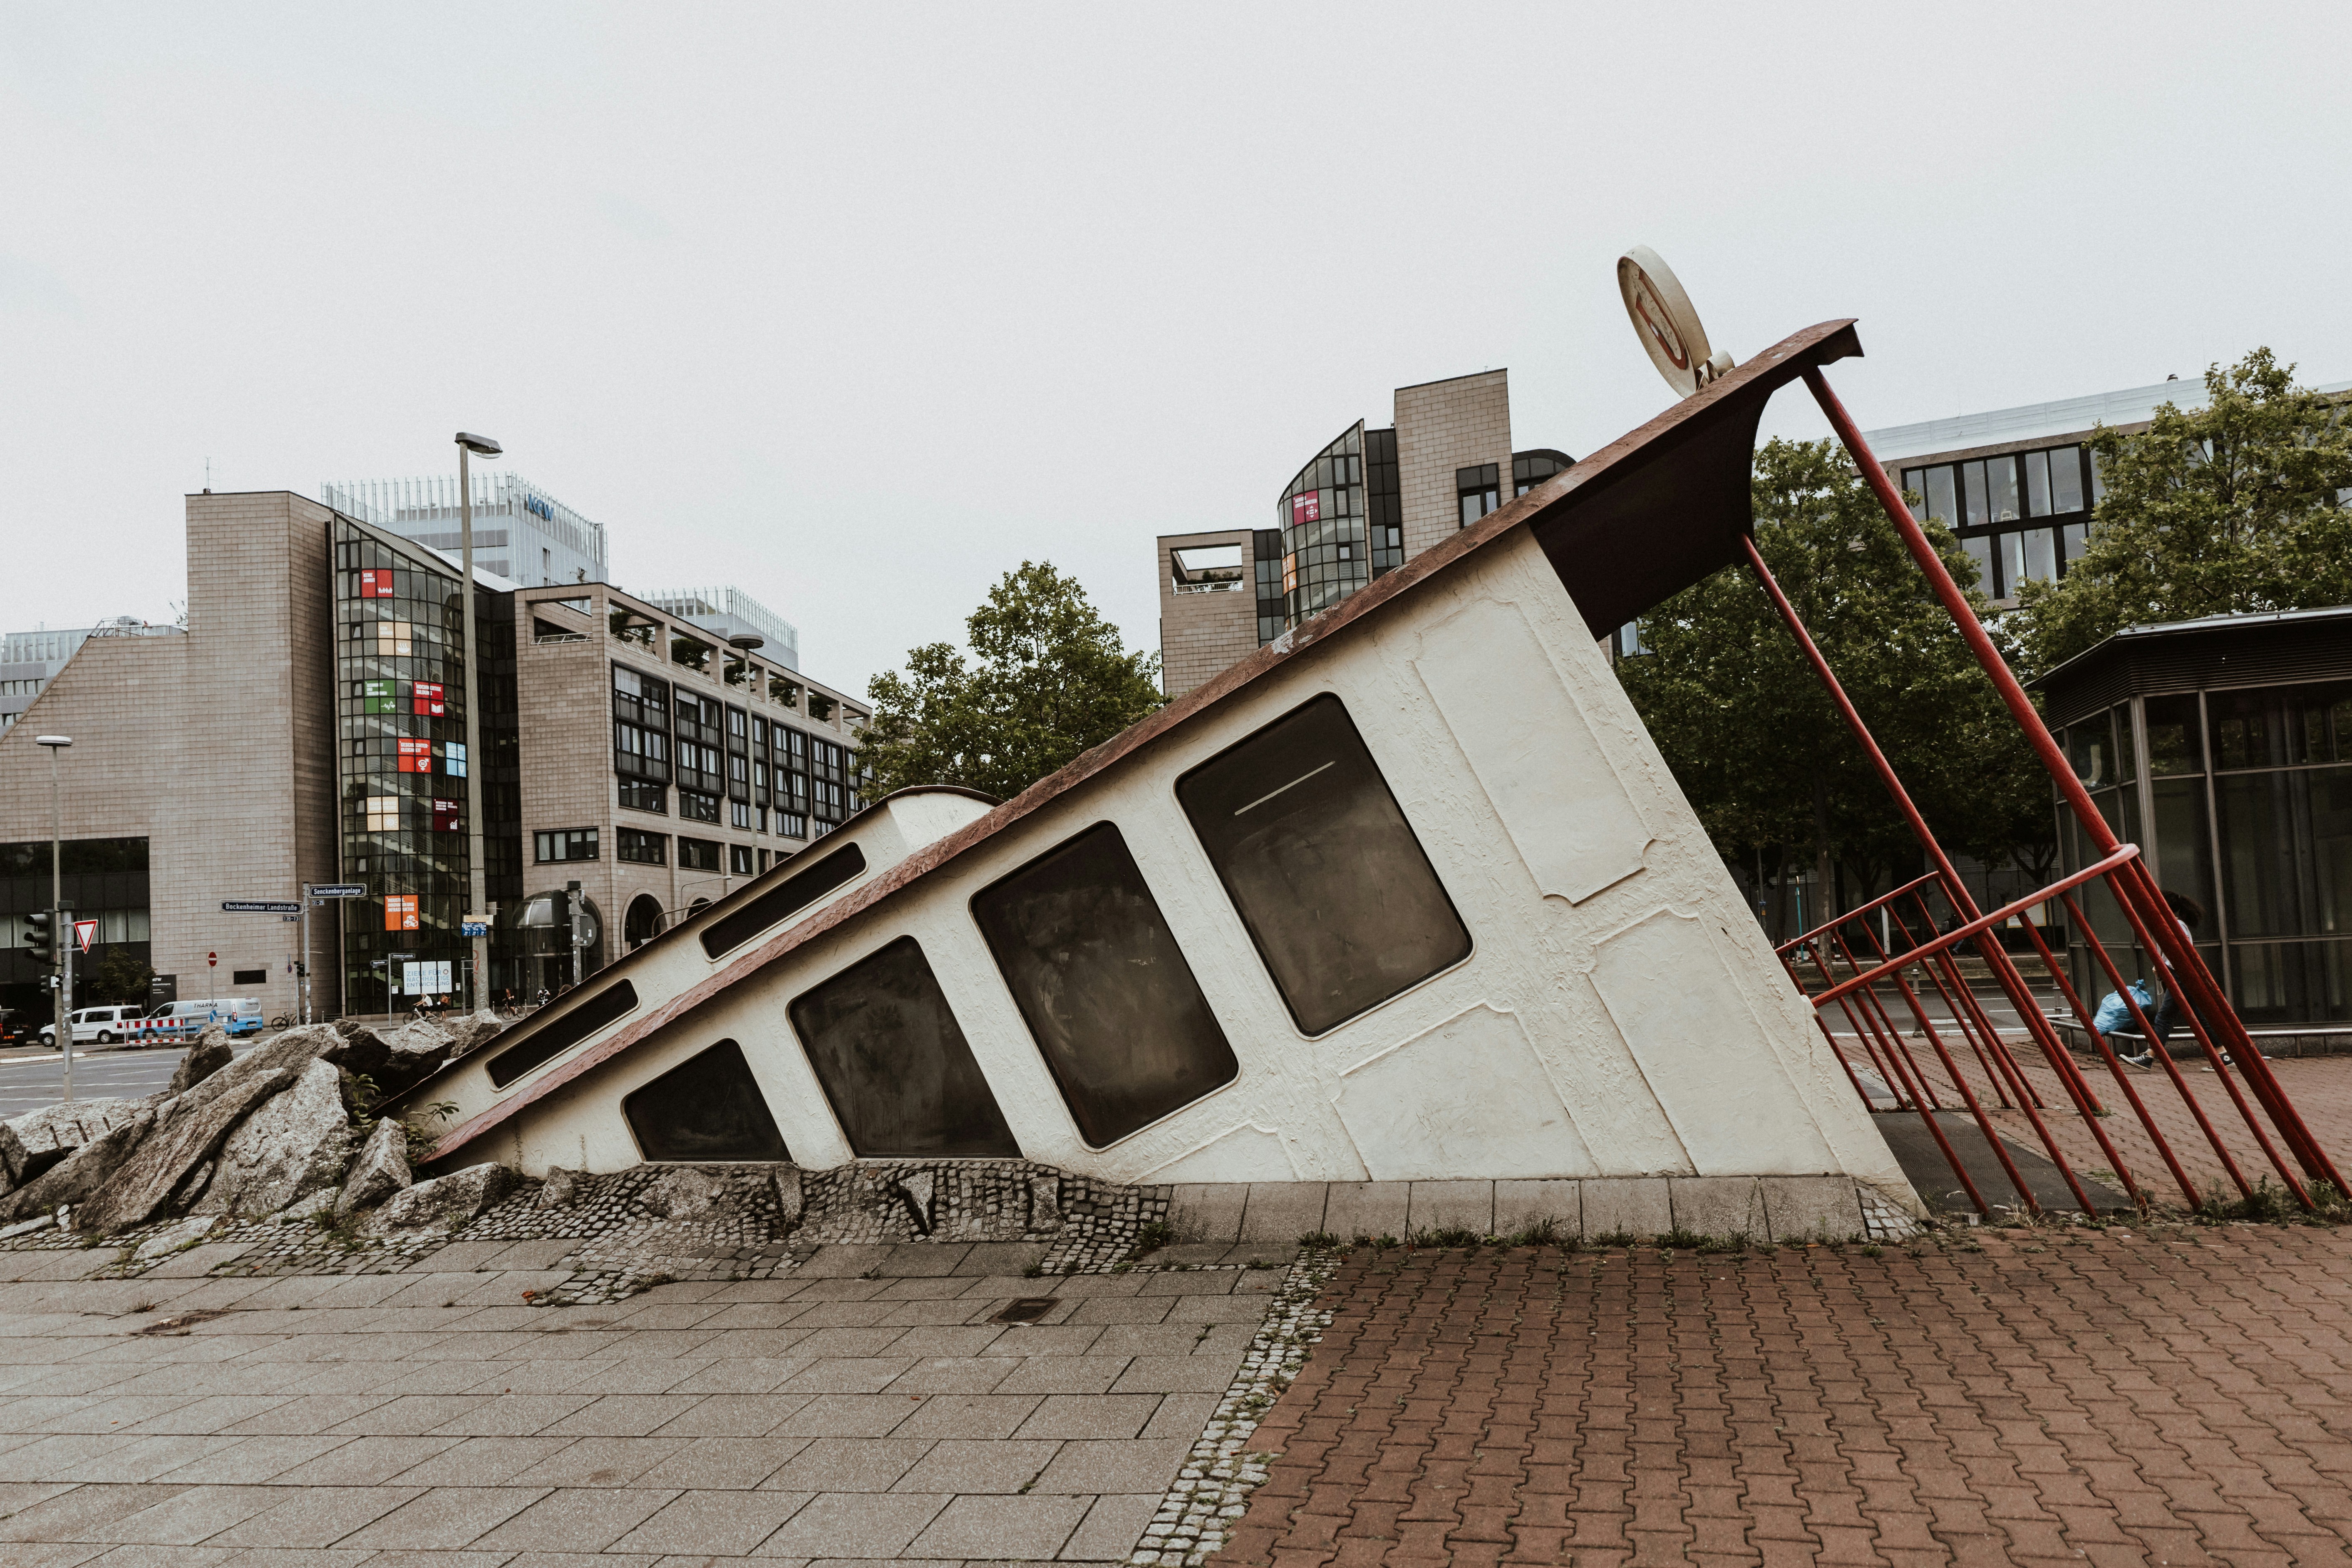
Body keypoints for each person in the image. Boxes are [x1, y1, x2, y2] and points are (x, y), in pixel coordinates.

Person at [2119, 891, 2202, 1069]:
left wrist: (2164, 966)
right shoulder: (2174, 924)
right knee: (2197, 1016)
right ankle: (2223, 1053)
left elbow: (2180, 953)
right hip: (2178, 974)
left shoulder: (2176, 925)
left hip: (2179, 975)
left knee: (2165, 1017)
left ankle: (2149, 1057)